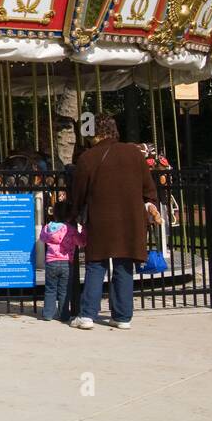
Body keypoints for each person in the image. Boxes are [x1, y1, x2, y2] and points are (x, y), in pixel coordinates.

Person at [70, 115, 157, 331]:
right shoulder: (134, 154)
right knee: (124, 265)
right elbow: (148, 187)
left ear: (96, 133)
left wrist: (72, 213)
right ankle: (122, 316)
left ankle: (88, 314)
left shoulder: (88, 158)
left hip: (101, 218)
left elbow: (78, 192)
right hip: (130, 219)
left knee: (96, 263)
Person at [39, 201, 84, 321]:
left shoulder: (48, 227)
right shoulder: (70, 229)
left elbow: (42, 238)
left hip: (51, 262)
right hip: (66, 263)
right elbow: (81, 242)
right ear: (70, 216)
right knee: (64, 290)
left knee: (50, 289)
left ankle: (48, 314)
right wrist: (83, 232)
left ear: (55, 214)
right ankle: (64, 314)